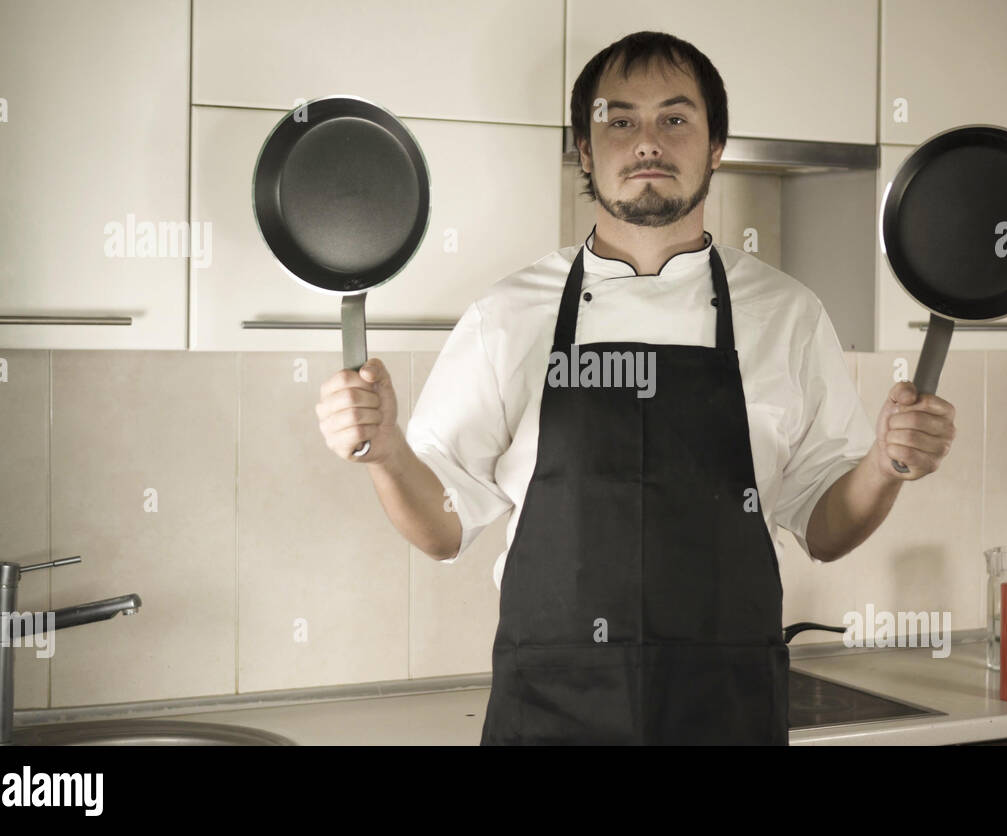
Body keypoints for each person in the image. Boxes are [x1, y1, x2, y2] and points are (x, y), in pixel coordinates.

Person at [314, 31, 956, 745]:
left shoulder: (789, 316)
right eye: (618, 120)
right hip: (551, 717)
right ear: (585, 150)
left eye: (675, 118)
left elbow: (827, 530)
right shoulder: (507, 316)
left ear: (716, 146)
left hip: (728, 715)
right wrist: (386, 454)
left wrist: (887, 467)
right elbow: (440, 529)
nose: (647, 141)